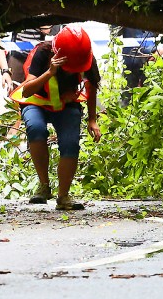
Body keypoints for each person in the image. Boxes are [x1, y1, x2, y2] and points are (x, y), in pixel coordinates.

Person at [9, 25, 101, 210]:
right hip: (37, 102)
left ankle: (63, 196)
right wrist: (49, 72)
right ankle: (44, 187)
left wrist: (92, 119)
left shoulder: (86, 57)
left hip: (66, 105)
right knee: (36, 128)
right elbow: (26, 90)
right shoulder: (42, 53)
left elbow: (91, 87)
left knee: (70, 142)